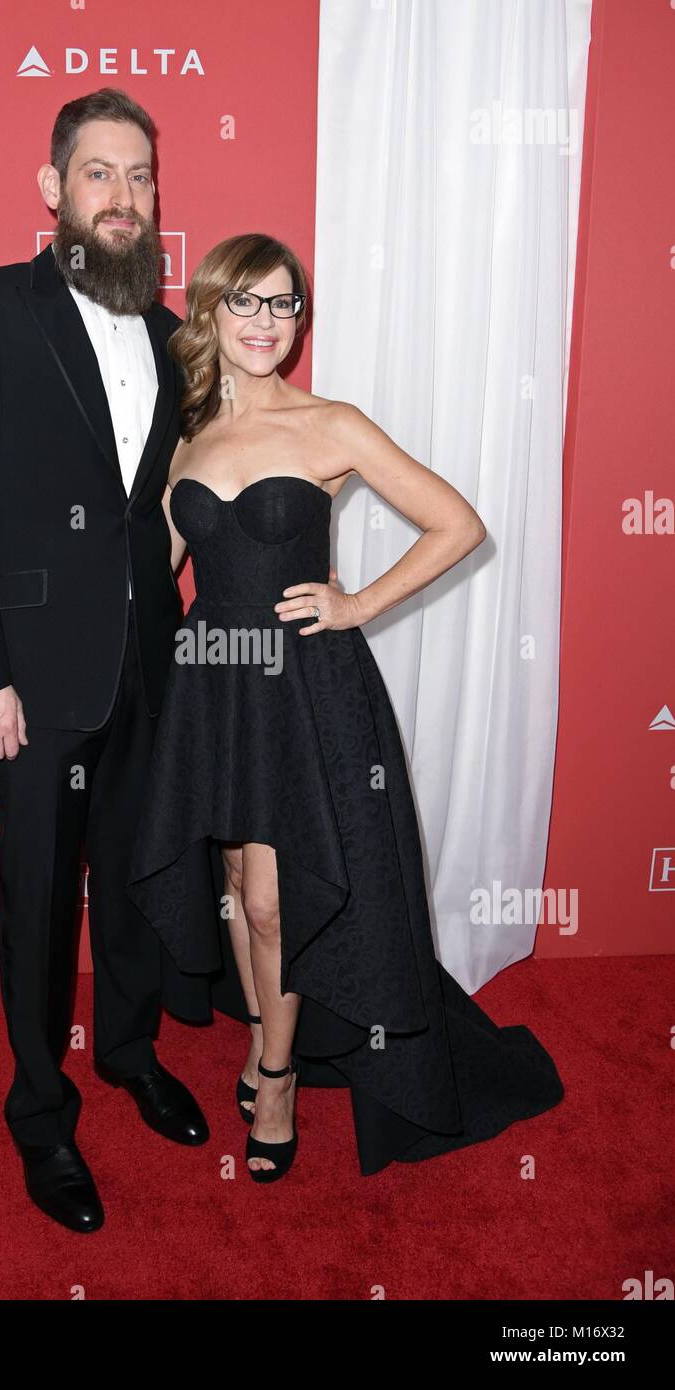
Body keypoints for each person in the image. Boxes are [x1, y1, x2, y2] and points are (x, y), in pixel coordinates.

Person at [127, 233, 565, 1182]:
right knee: (243, 891)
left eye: (283, 305)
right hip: (216, 678)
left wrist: (358, 602)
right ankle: (257, 1036)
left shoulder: (331, 423)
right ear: (208, 310)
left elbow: (458, 523)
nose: (264, 323)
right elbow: (158, 573)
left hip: (305, 687)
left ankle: (277, 1078)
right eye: (244, 302)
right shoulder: (189, 434)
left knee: (279, 900)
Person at [0, 88, 212, 1233]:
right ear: (52, 190)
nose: (123, 197)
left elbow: (163, 507)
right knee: (38, 898)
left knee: (134, 878)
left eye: (140, 177)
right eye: (99, 174)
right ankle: (42, 1112)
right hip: (27, 678)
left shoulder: (174, 333)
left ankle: (128, 1053)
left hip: (148, 660)